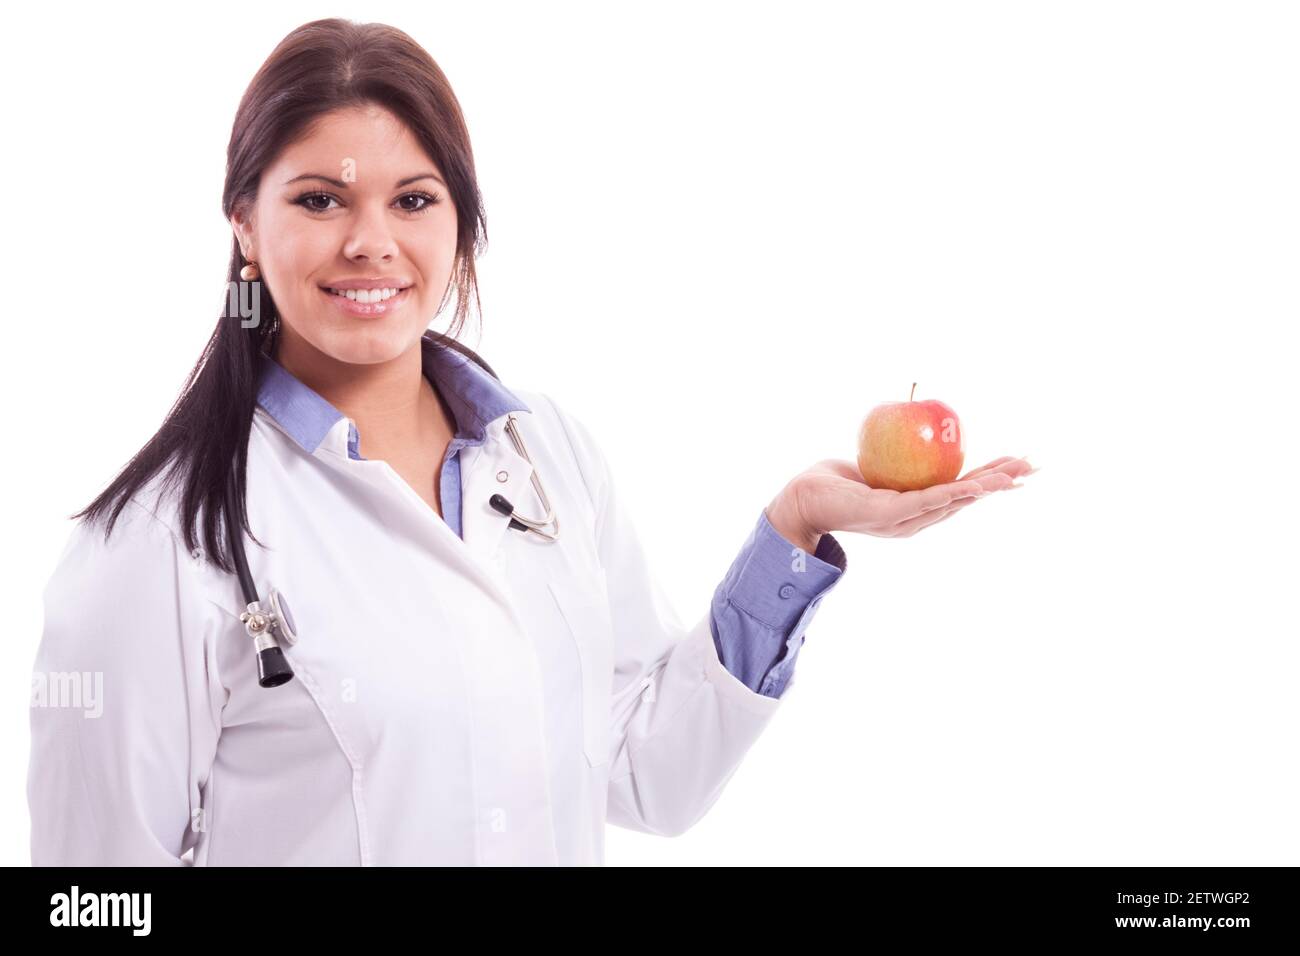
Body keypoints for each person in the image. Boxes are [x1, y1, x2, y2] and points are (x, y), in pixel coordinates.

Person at [27, 18, 1033, 866]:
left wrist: (793, 530)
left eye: (413, 199)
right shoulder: (155, 542)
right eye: (319, 199)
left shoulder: (545, 452)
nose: (370, 240)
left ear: (461, 223)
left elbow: (646, 771)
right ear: (244, 221)